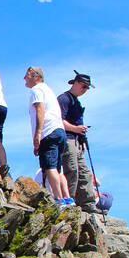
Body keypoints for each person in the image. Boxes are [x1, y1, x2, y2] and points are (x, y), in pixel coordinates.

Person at [24, 67, 72, 205]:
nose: (24, 79)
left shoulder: (36, 90)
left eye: (27, 76)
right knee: (58, 168)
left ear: (35, 76)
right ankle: (67, 198)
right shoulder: (48, 90)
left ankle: (58, 199)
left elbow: (40, 109)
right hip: (59, 131)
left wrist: (38, 134)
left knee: (49, 167)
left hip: (48, 132)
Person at [57, 71, 99, 212]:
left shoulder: (75, 101)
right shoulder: (64, 99)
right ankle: (70, 201)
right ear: (75, 83)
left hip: (76, 141)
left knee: (84, 172)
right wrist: (76, 129)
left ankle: (87, 203)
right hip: (68, 139)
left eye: (87, 88)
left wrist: (80, 135)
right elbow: (58, 121)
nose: (85, 90)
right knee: (72, 170)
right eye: (83, 86)